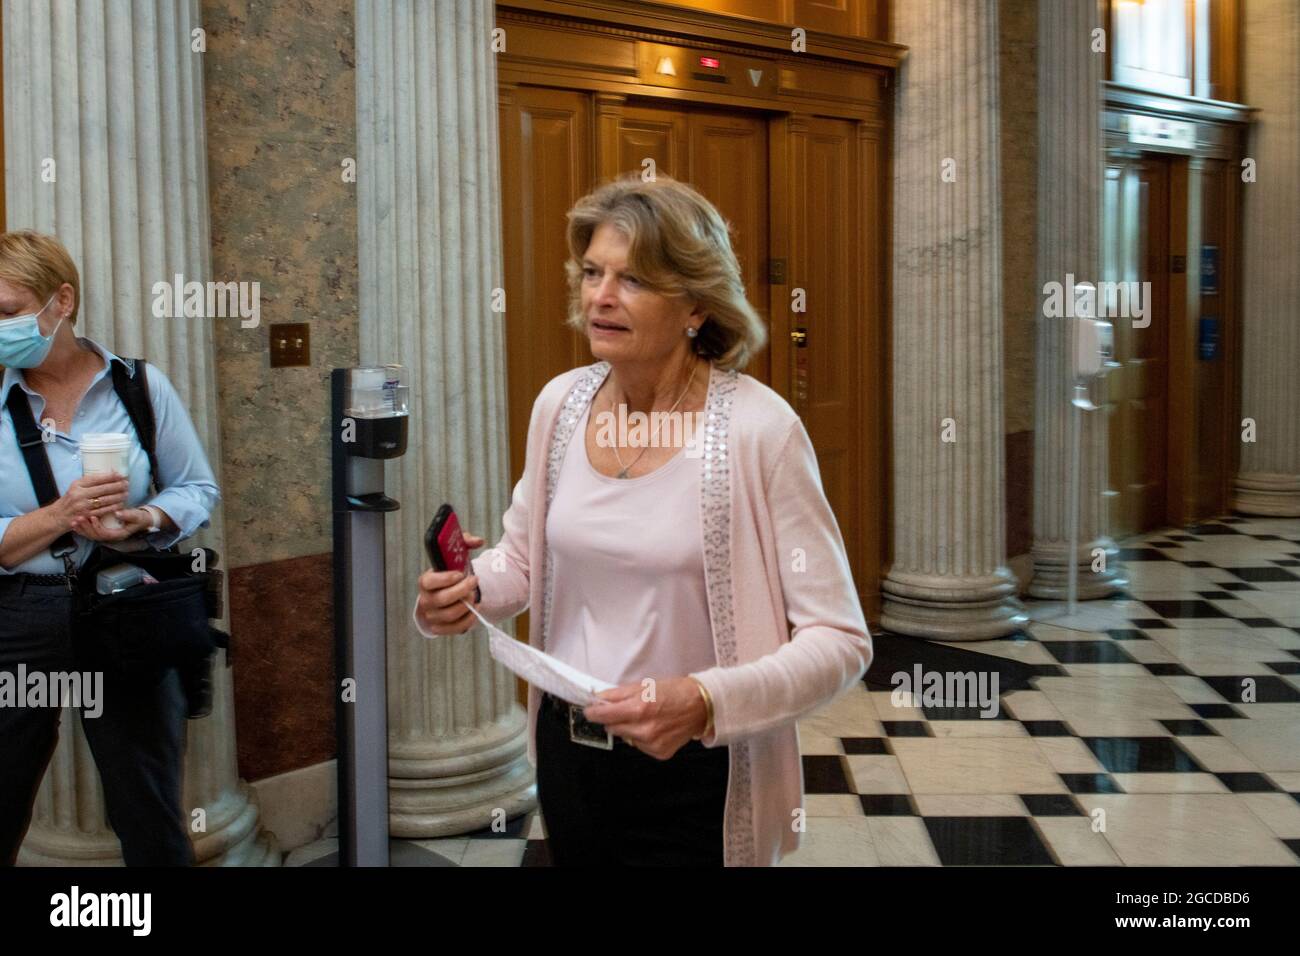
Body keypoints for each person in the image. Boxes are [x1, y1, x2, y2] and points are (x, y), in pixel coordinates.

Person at [414, 173, 872, 866]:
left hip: (696, 766)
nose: (600, 296)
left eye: (632, 281)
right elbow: (524, 562)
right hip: (571, 752)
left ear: (694, 304)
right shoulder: (560, 406)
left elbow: (840, 640)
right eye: (593, 272)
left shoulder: (759, 429)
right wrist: (471, 589)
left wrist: (705, 701)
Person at [0, 230, 220, 866]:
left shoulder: (139, 387)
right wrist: (59, 515)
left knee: (147, 807)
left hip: (126, 610)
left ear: (60, 301)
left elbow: (198, 488)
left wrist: (143, 518)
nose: (0, 326)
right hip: (17, 616)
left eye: (9, 310)